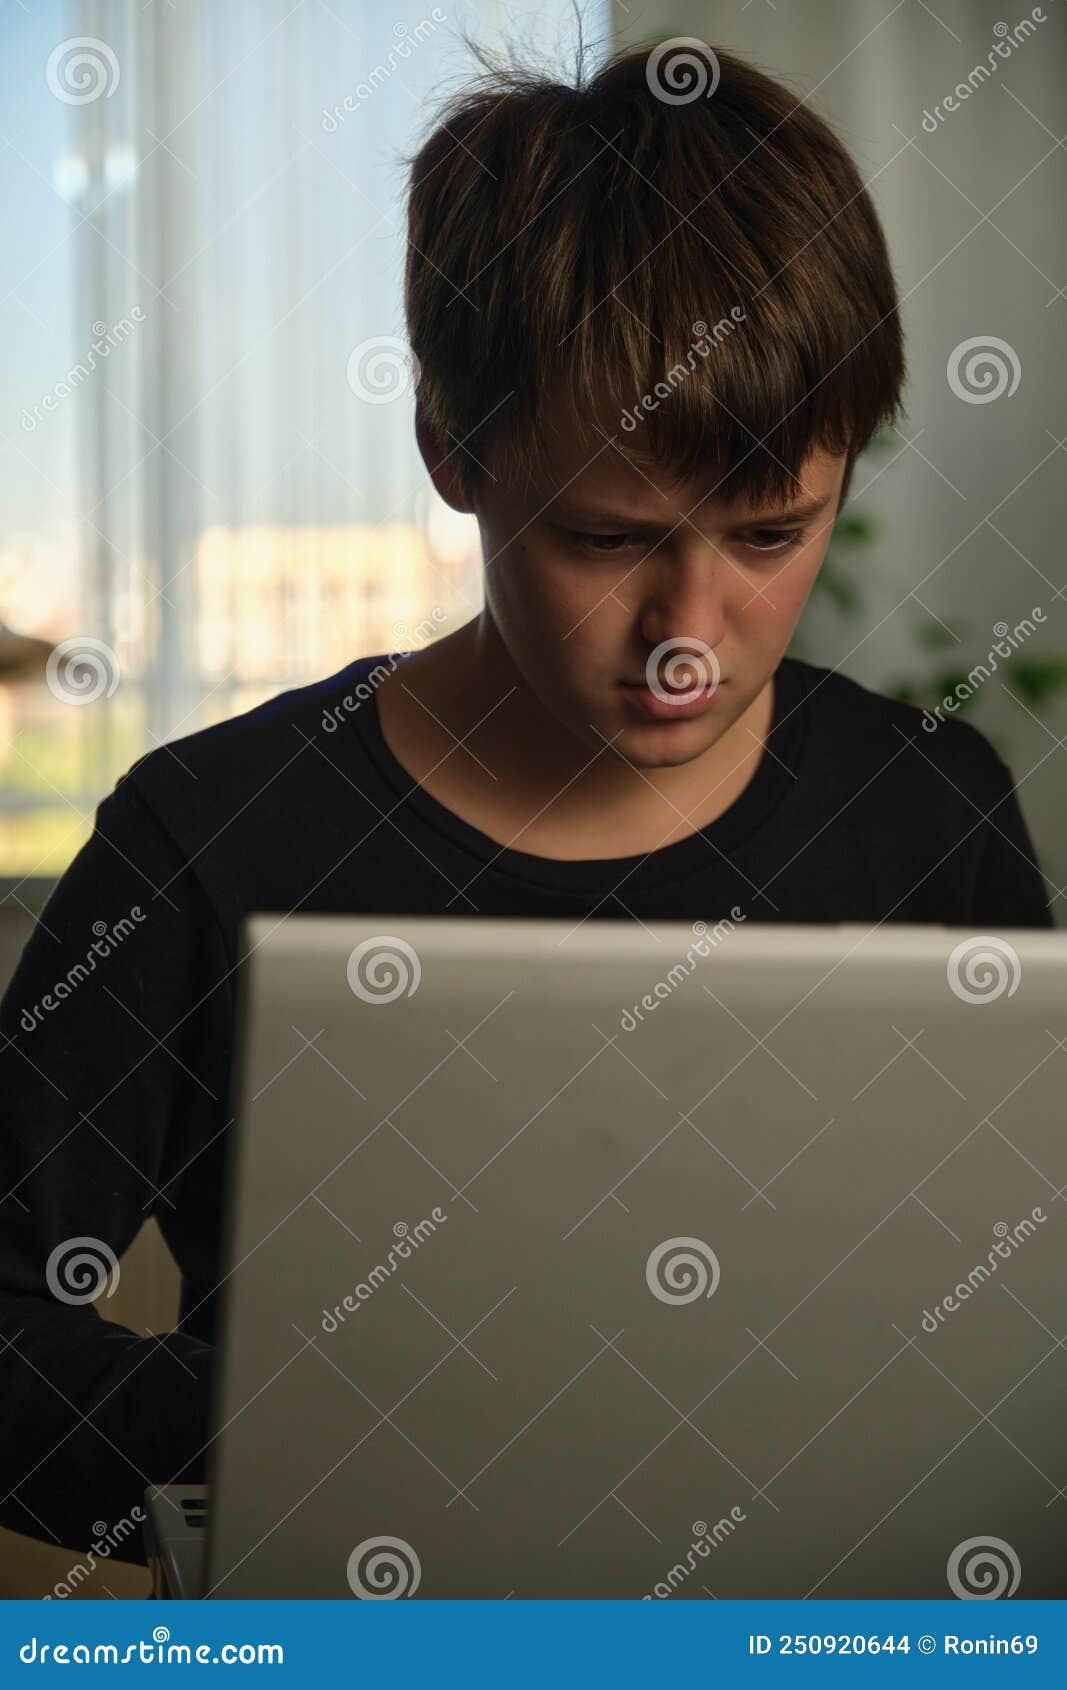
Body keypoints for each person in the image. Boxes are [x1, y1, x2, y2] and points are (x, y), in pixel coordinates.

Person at [0, 39, 1051, 1568]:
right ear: (447, 444)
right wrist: (298, 1432)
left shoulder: (930, 810)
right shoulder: (209, 841)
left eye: (772, 535)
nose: (690, 631)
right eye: (608, 538)